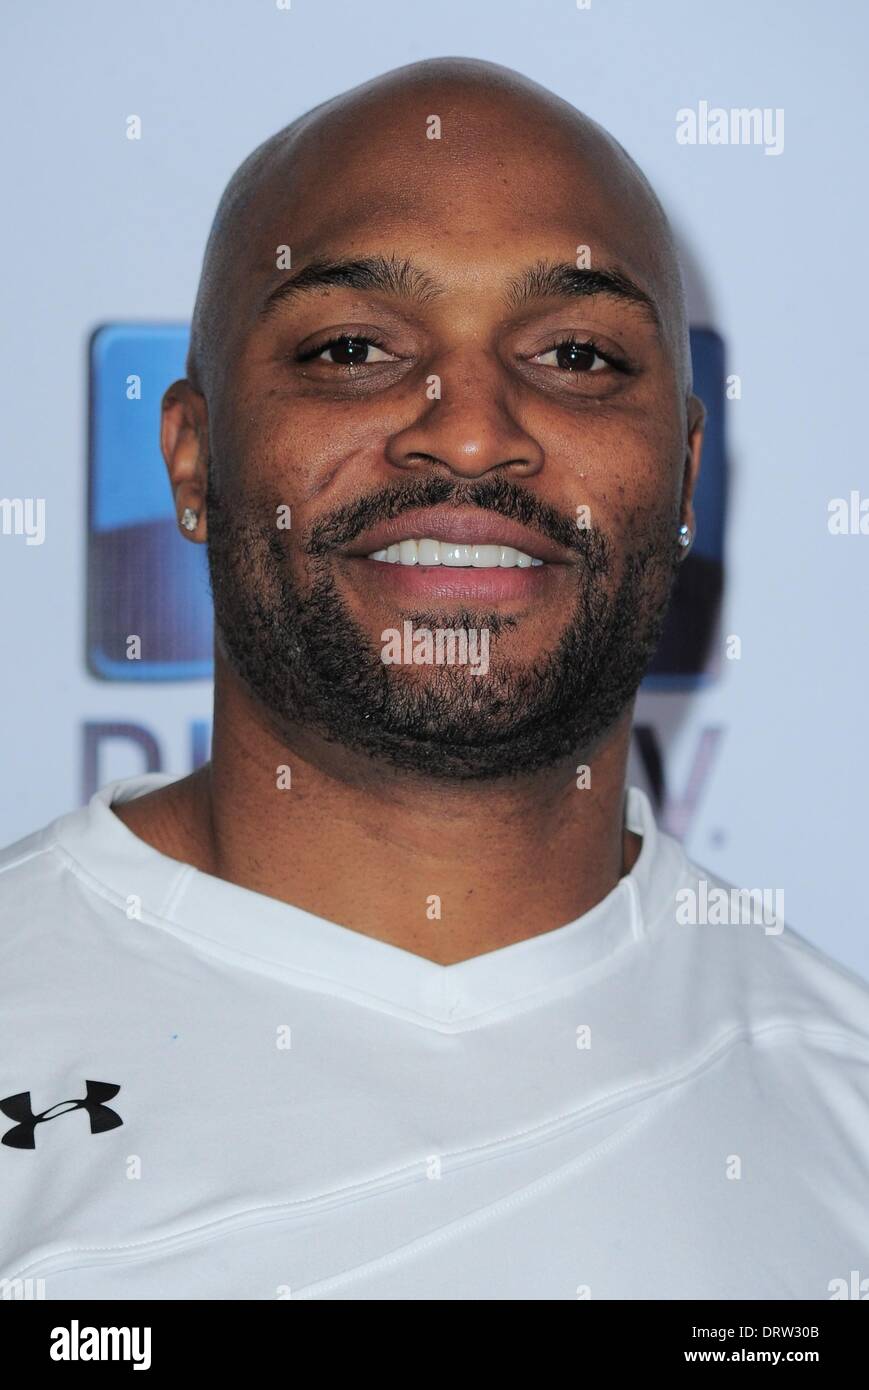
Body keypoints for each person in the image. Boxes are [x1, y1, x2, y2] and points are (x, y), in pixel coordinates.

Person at [1, 57, 867, 1301]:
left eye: (576, 354)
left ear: (683, 476)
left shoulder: (837, 1100)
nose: (466, 430)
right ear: (192, 459)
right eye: (352, 347)